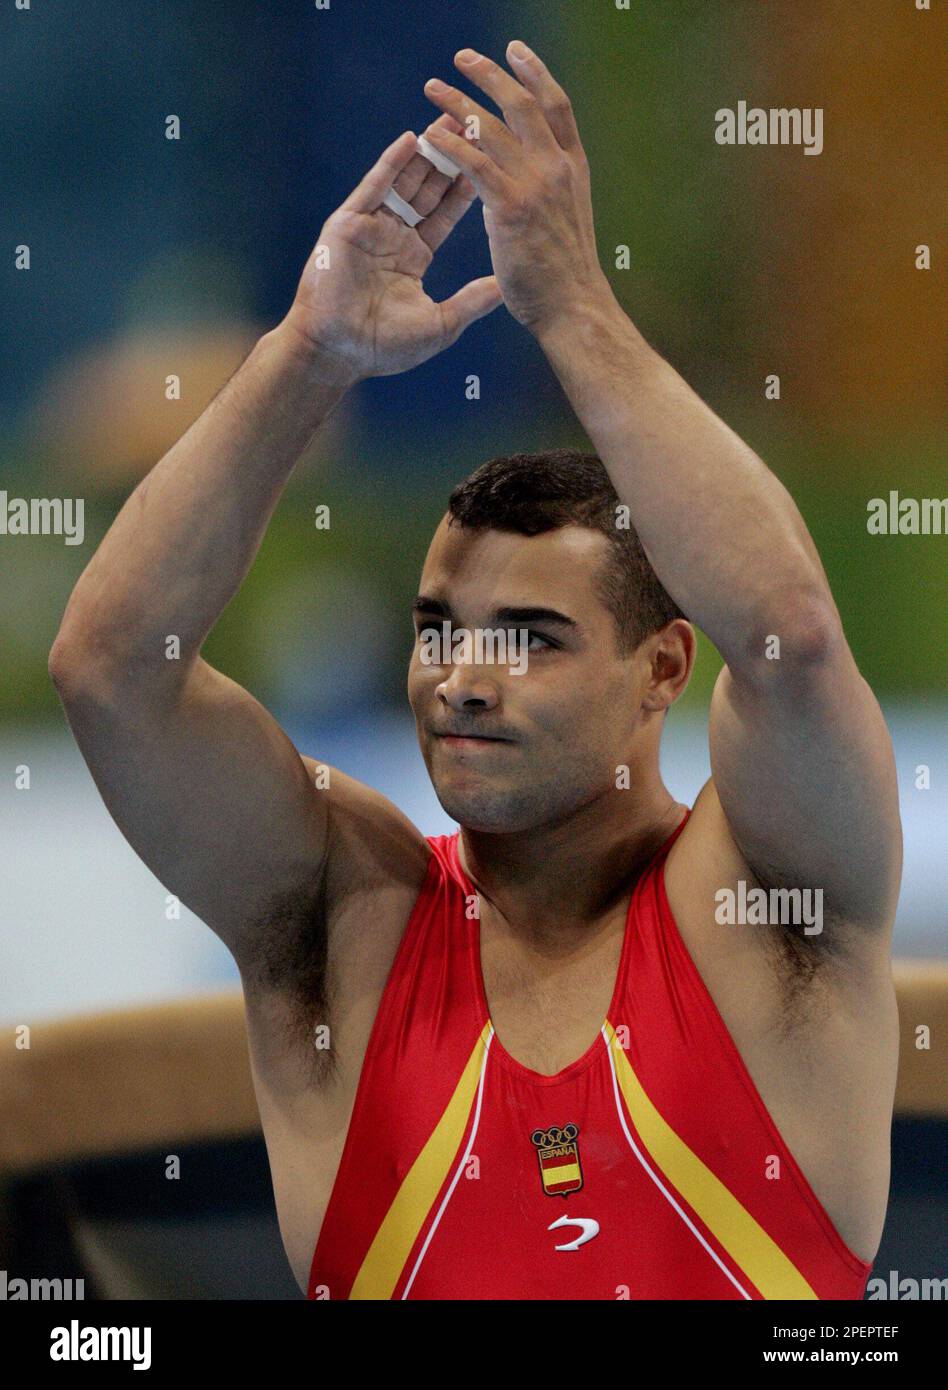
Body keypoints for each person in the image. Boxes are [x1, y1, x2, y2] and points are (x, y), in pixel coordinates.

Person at [49, 41, 902, 1300]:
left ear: (664, 668)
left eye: (529, 638)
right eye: (439, 628)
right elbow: (112, 670)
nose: (462, 678)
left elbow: (790, 632)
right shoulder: (345, 923)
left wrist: (571, 306)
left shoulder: (768, 908)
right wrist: (309, 352)